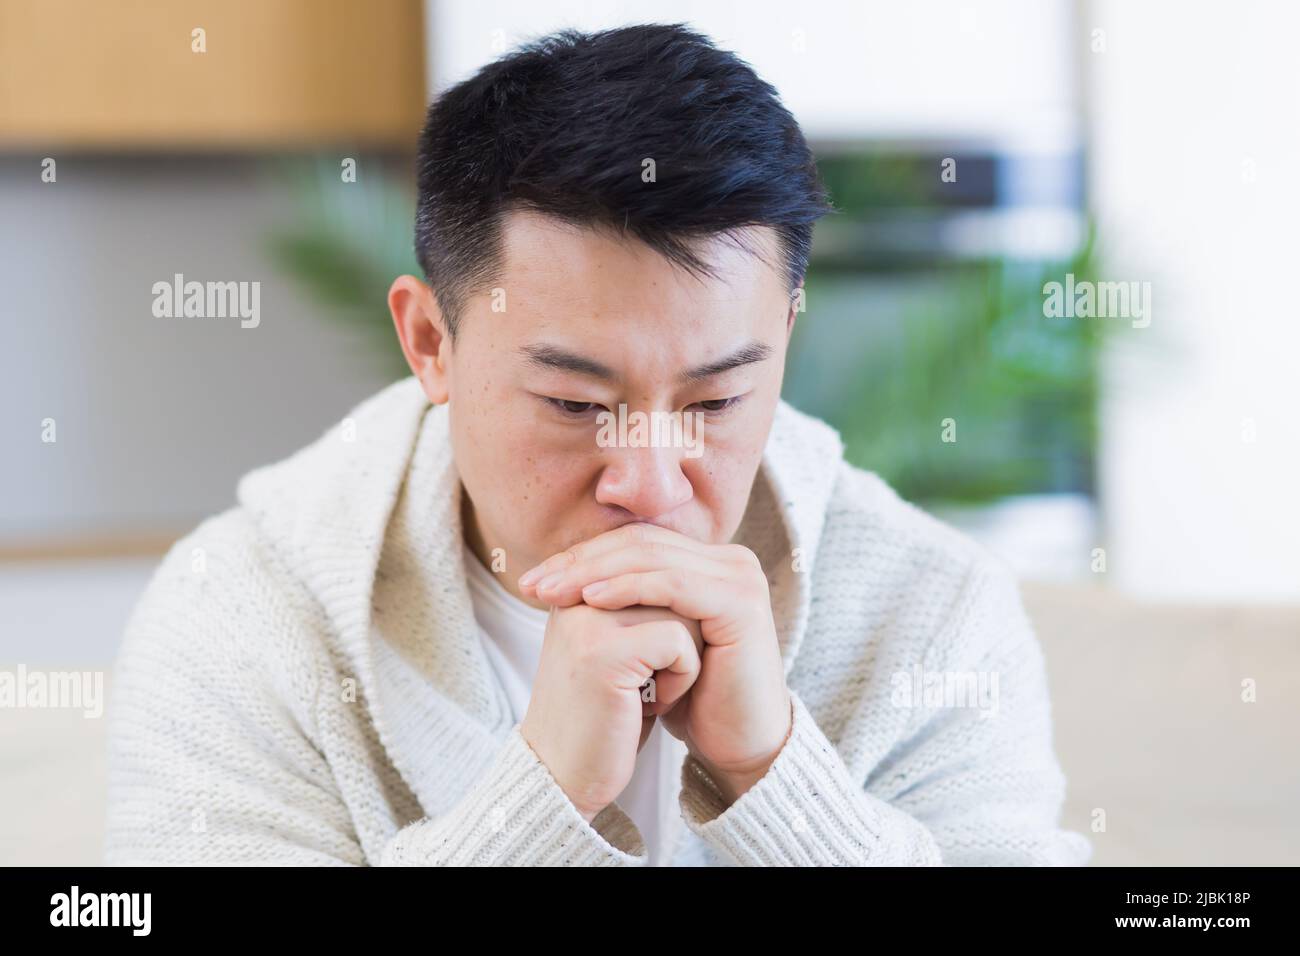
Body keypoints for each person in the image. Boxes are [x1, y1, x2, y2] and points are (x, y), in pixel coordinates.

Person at [104, 23, 1091, 866]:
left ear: (786, 334)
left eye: (716, 400)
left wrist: (774, 771)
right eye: (575, 405)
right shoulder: (242, 615)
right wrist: (541, 798)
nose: (650, 484)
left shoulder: (930, 609)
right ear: (429, 343)